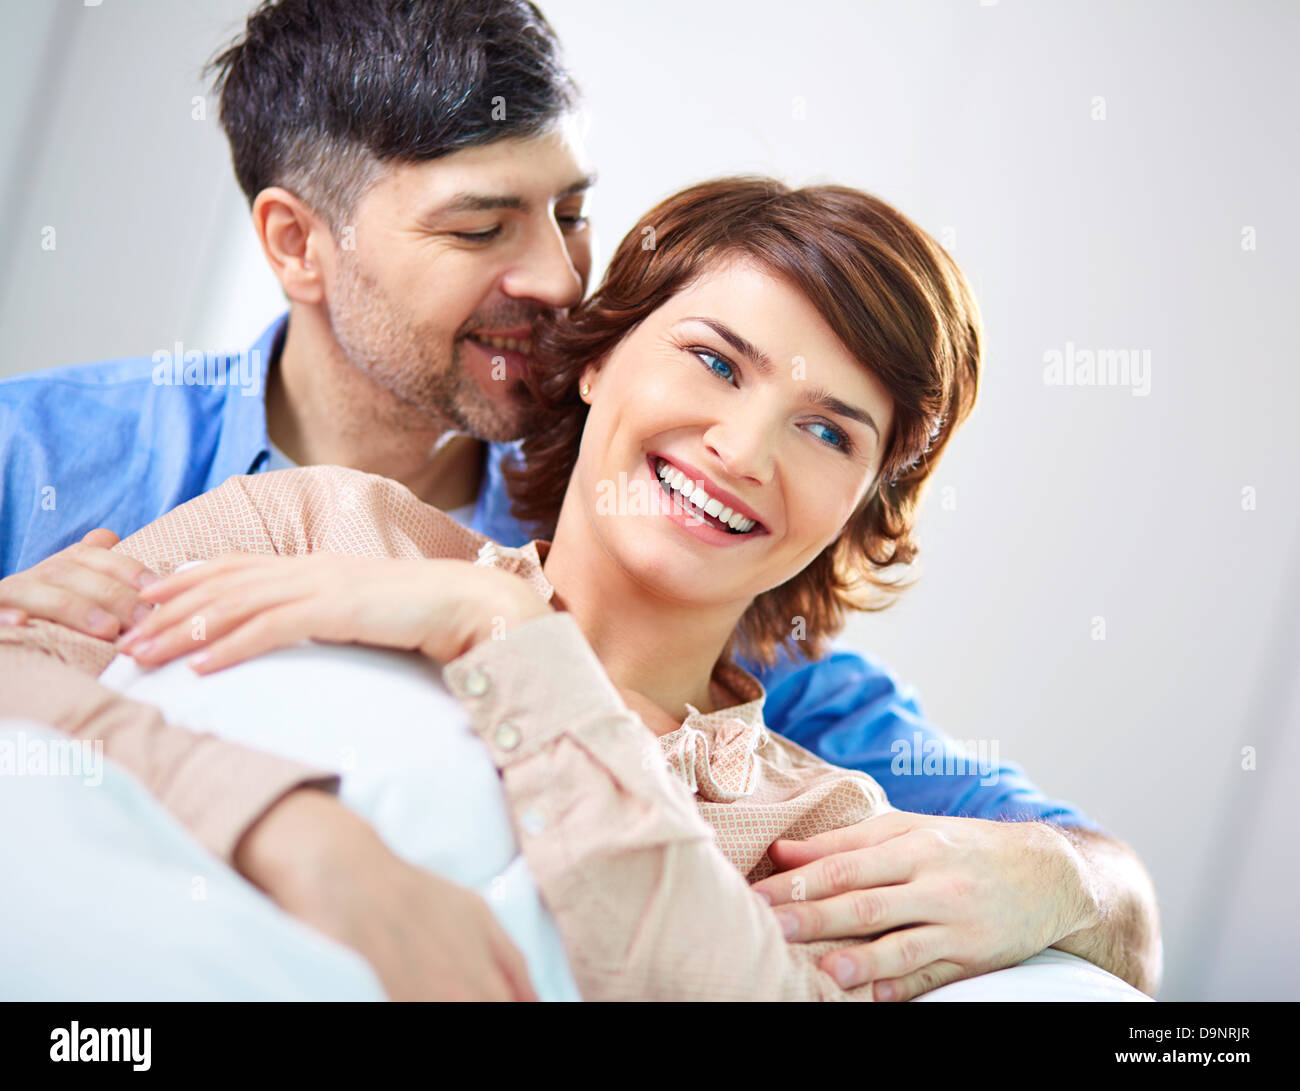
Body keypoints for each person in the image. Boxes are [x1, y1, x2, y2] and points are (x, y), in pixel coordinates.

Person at [0, 0, 1160, 1000]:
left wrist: (1070, 878)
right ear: (297, 244)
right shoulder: (269, 507)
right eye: (479, 225)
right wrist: (292, 828)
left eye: (568, 215)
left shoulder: (807, 774)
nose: (560, 281)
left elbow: (1087, 892)